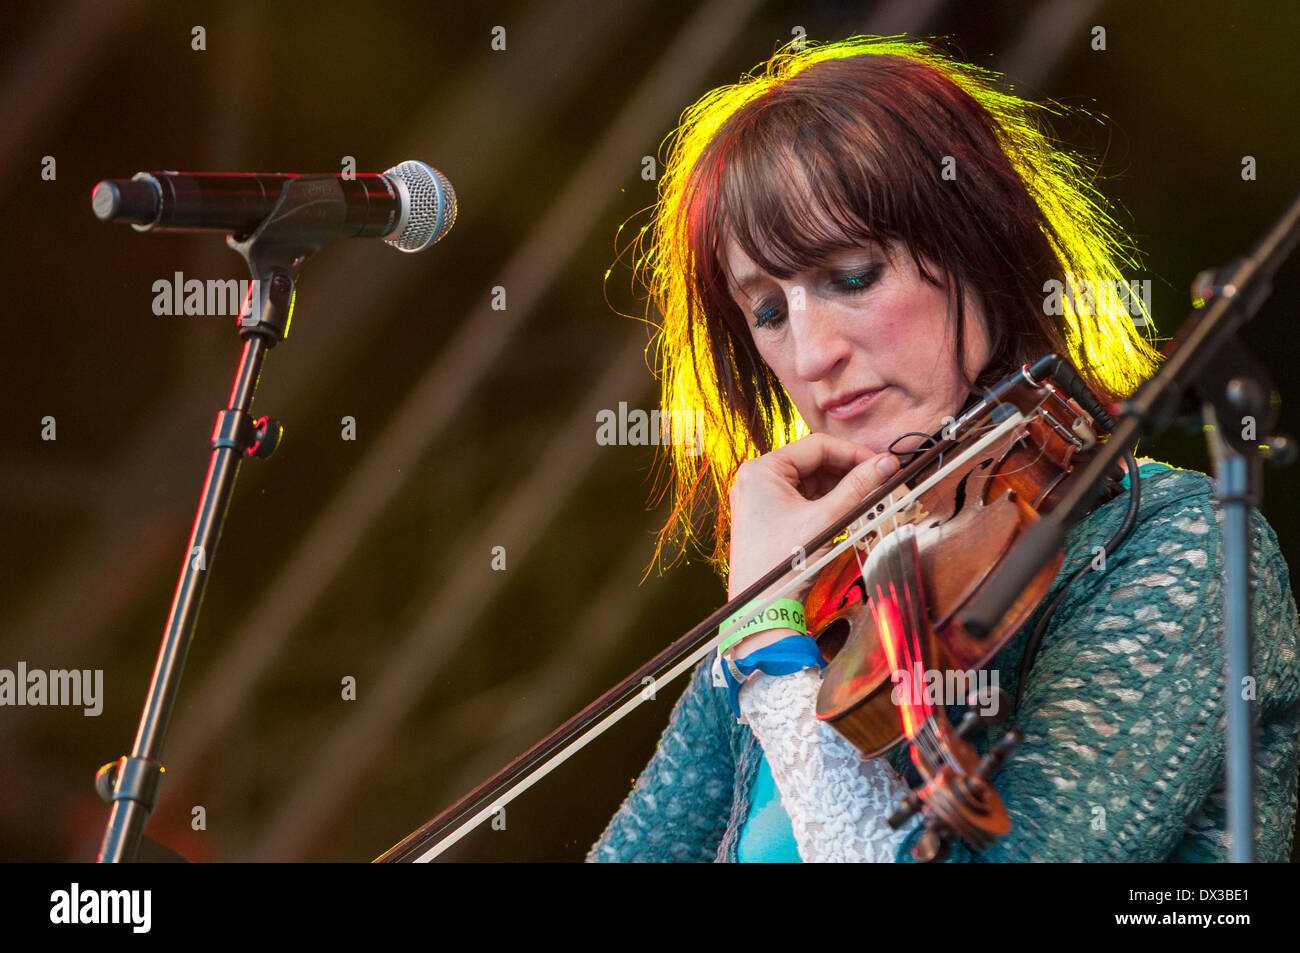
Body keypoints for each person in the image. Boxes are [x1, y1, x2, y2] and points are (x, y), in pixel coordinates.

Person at [587, 36, 1300, 862]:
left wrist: (774, 660)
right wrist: (768, 632)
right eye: (769, 312)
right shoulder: (812, 602)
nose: (812, 354)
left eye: (852, 276)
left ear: (981, 251)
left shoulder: (1175, 547)